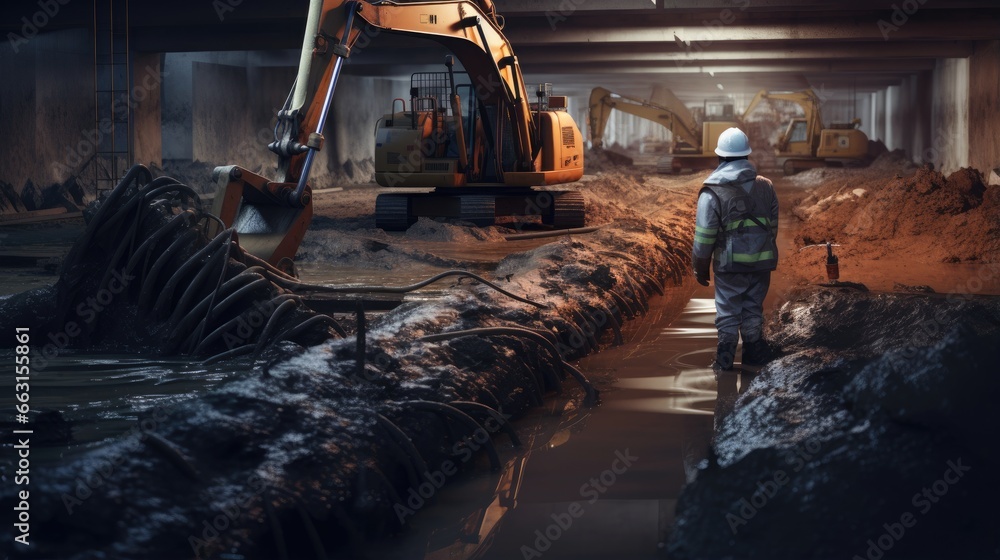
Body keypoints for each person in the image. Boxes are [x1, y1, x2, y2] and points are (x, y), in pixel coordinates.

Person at [692, 127, 779, 371]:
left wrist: (700, 267)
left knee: (728, 312)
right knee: (753, 308)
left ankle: (725, 362)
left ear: (720, 157)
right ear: (747, 155)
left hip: (729, 267)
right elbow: (772, 229)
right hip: (761, 262)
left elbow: (704, 238)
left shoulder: (712, 192)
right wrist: (759, 253)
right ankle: (753, 357)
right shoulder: (766, 187)